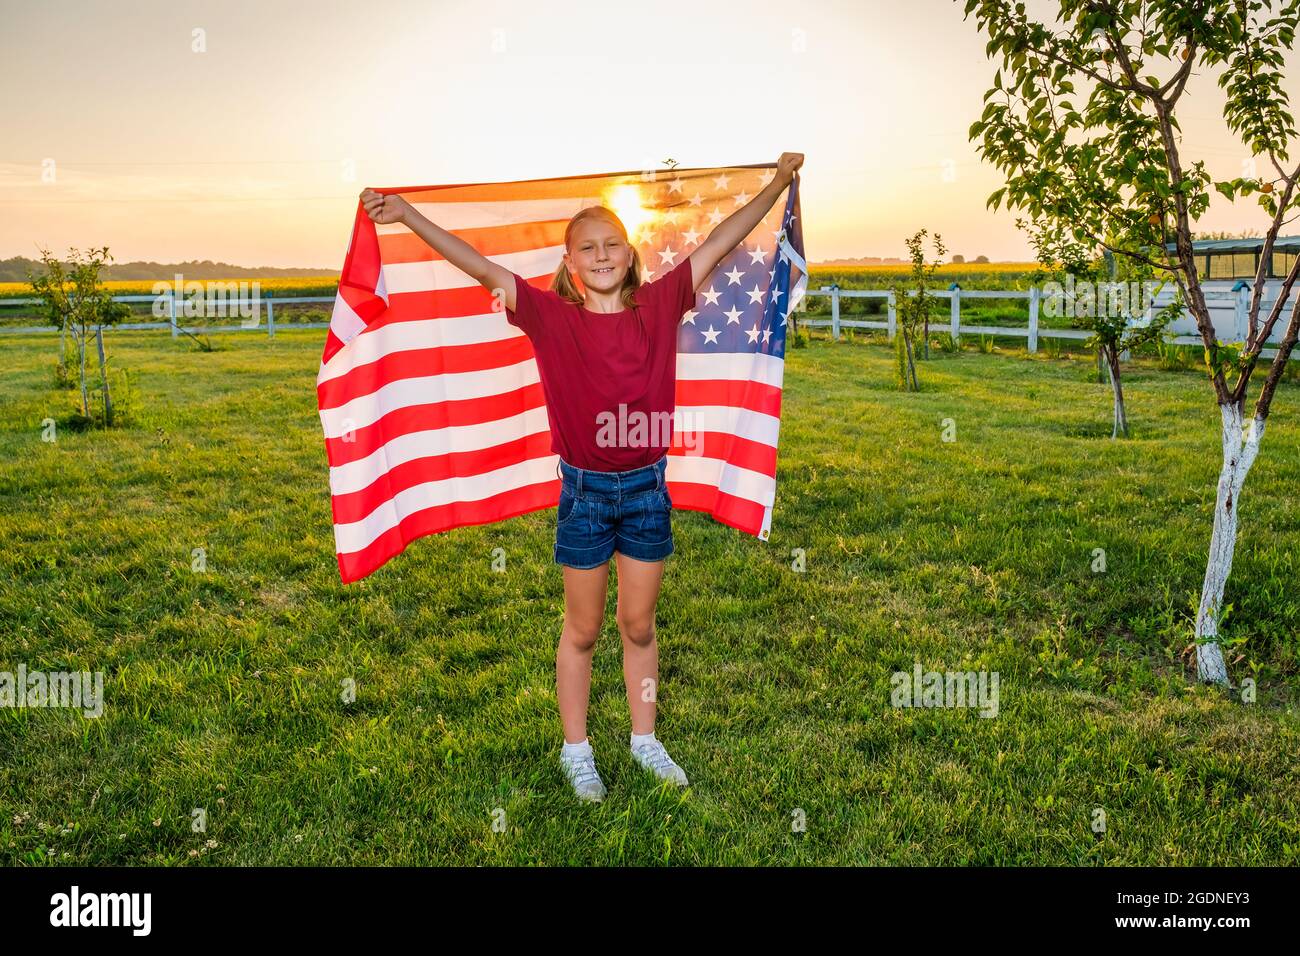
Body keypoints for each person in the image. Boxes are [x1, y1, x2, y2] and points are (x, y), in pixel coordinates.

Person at [360, 151, 803, 802]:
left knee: (639, 627)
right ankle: (577, 749)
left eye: (612, 244)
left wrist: (776, 184)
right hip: (586, 496)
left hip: (648, 491)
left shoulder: (661, 302)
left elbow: (721, 239)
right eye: (587, 248)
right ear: (569, 264)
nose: (601, 255)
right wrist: (408, 215)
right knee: (584, 629)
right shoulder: (549, 317)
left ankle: (644, 740)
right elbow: (477, 263)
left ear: (629, 253)